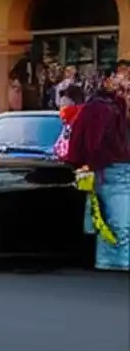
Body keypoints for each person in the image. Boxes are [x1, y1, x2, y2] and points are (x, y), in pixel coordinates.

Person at [62, 88, 130, 272]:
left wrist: (86, 163)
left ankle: (112, 260)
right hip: (116, 168)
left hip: (108, 168)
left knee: (110, 219)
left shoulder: (97, 111)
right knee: (118, 219)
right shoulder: (113, 111)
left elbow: (86, 142)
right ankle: (117, 261)